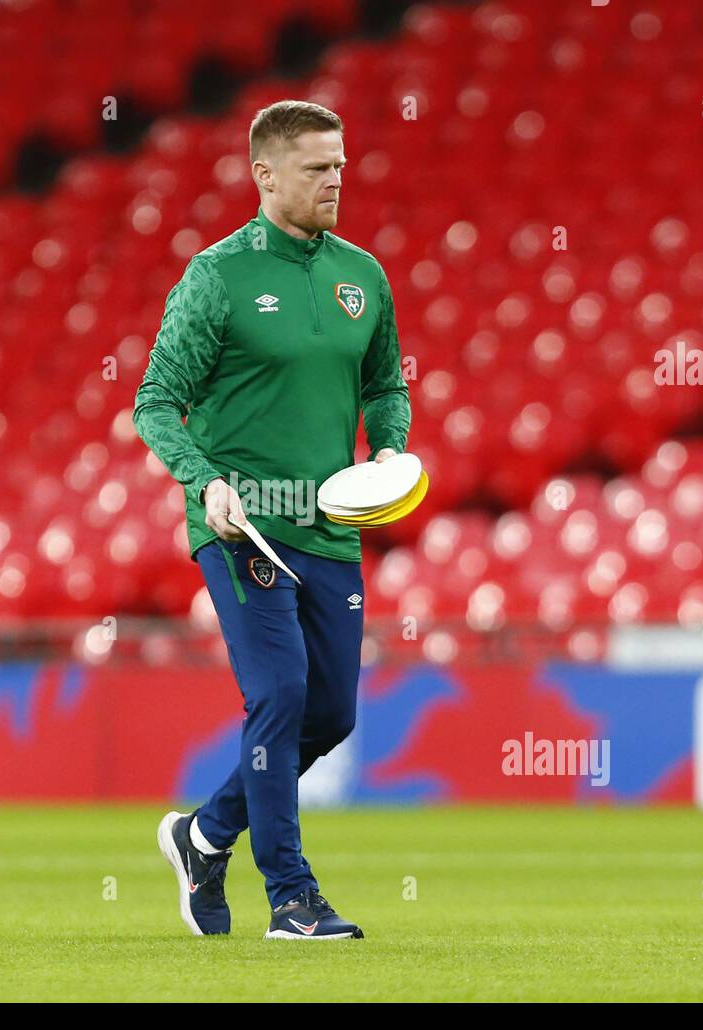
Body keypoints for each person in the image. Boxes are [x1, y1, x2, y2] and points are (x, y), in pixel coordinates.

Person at [133, 99, 411, 940]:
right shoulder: (217, 276)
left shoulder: (363, 274)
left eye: (340, 165)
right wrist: (205, 482)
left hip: (329, 525)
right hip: (243, 524)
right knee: (281, 693)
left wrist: (390, 449)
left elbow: (385, 385)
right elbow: (155, 401)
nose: (336, 180)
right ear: (264, 175)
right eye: (316, 167)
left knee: (333, 713)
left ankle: (203, 833)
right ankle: (291, 896)